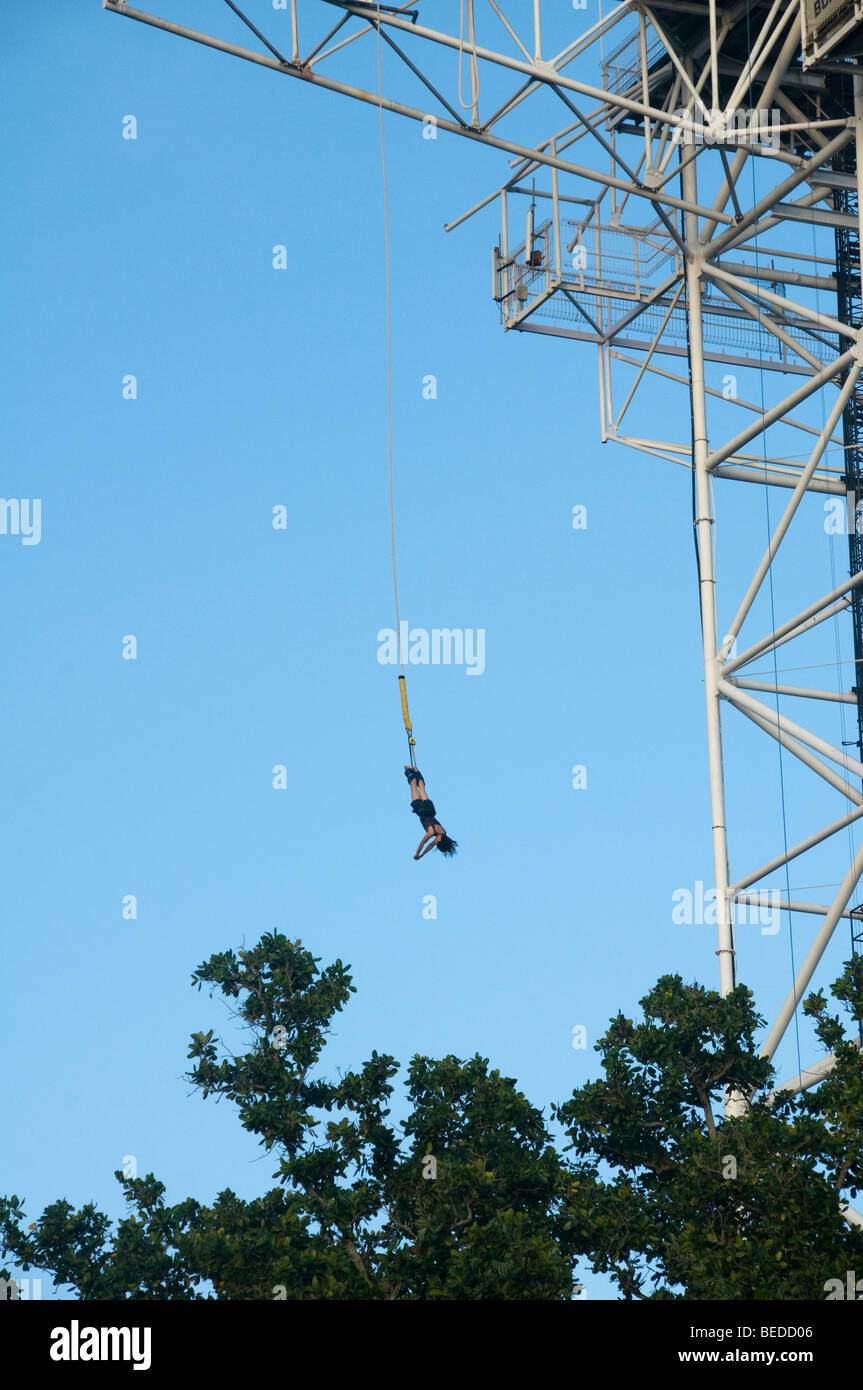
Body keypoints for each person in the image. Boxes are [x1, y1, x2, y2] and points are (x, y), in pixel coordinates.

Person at [404, 766, 458, 860]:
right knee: (413, 785)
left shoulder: (443, 832)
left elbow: (430, 846)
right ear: (441, 840)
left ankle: (417, 772)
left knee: (421, 787)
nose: (435, 842)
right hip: (420, 809)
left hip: (430, 809)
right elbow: (424, 842)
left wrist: (421, 855)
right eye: (437, 842)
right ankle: (410, 772)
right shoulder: (431, 832)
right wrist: (417, 853)